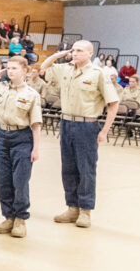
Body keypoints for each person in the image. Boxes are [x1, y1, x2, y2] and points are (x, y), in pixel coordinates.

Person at [38, 41, 120, 229]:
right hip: (67, 123)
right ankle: (72, 207)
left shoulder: (98, 74)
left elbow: (113, 103)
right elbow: (43, 68)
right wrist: (60, 54)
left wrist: (105, 130)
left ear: (90, 54)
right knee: (68, 168)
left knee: (86, 169)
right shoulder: (65, 69)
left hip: (87, 125)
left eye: (79, 51)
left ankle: (85, 210)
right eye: (73, 50)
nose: (75, 53)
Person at [0, 57, 42, 239]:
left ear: (25, 71)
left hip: (22, 138)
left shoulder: (31, 94)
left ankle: (20, 219)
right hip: (2, 136)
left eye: (14, 68)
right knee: (3, 180)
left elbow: (36, 124)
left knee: (20, 181)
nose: (10, 71)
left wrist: (36, 148)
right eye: (8, 68)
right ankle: (8, 217)